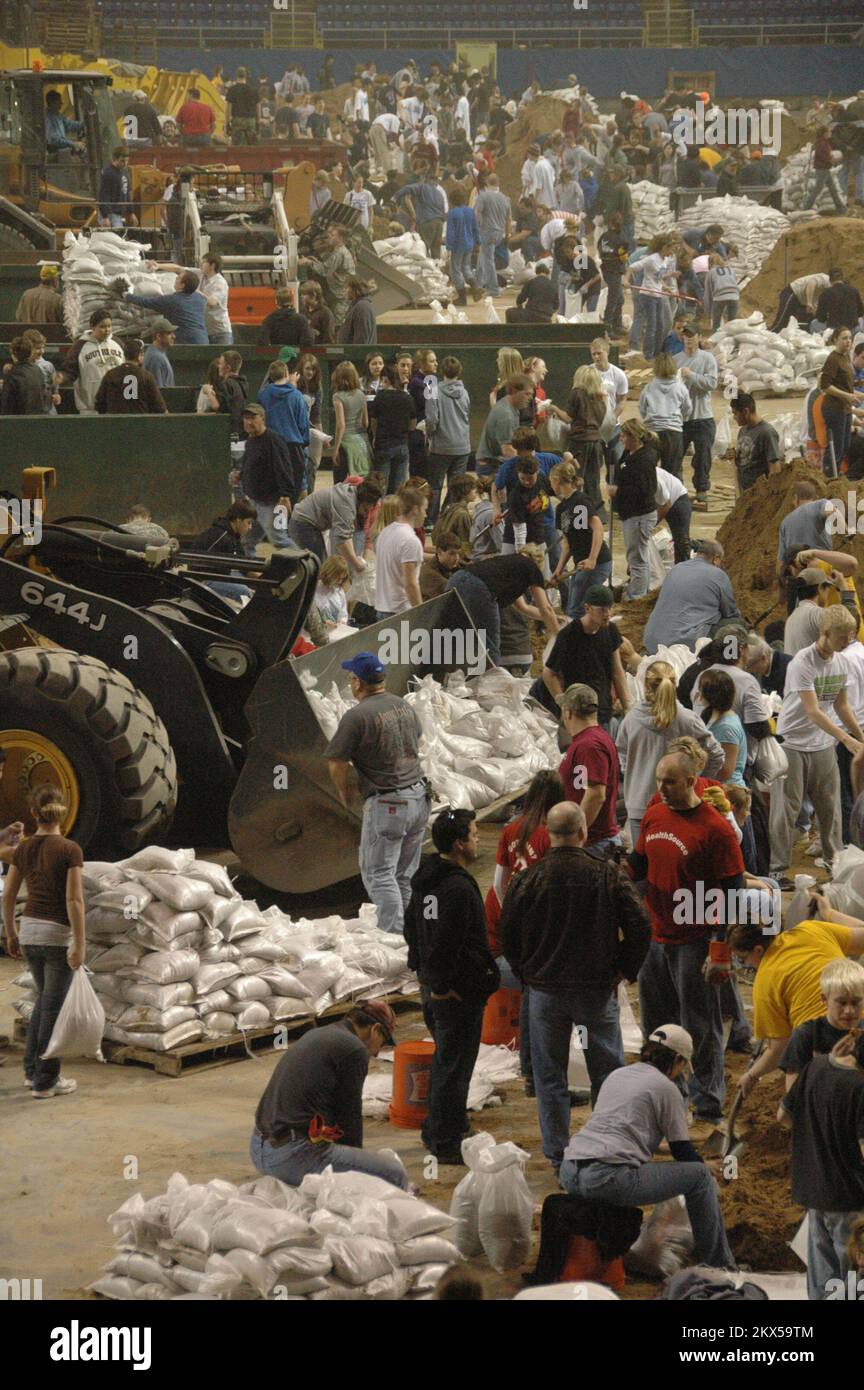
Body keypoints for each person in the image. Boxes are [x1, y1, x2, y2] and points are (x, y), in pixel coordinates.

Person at [501, 801, 650, 1170]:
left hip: (546, 993)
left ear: (548, 835)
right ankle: (607, 1147)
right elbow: (640, 925)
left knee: (550, 1077)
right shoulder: (607, 876)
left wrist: (528, 973)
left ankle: (557, 1156)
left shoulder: (528, 879)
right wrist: (623, 970)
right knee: (607, 1072)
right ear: (583, 831)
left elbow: (507, 932)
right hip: (595, 991)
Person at [629, 751, 746, 1122]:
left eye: (670, 782)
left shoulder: (716, 829)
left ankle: (708, 1102)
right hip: (655, 937)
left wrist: (720, 949)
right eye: (659, 780)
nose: (661, 788)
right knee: (657, 1025)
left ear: (692, 780)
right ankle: (668, 1098)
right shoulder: (654, 813)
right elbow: (639, 866)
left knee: (699, 1025)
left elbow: (733, 891)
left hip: (694, 939)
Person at [560, 1027, 737, 1270]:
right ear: (677, 1059)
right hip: (607, 1179)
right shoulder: (667, 1089)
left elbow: (622, 1133)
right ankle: (721, 1266)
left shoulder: (618, 1075)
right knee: (699, 1178)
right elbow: (683, 1153)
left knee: (676, 1170)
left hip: (570, 1171)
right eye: (682, 1066)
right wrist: (708, 1166)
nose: (680, 1073)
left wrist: (665, 1150)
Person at [404, 808, 499, 1165]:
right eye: (474, 835)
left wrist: (423, 974)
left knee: (449, 1060)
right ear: (459, 844)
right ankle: (445, 1140)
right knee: (454, 1065)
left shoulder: (427, 882)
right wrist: (441, 985)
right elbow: (446, 941)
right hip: (453, 992)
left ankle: (448, 1125)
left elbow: (413, 928)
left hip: (435, 987)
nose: (478, 840)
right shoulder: (456, 888)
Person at [250, 1000, 409, 1189]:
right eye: (383, 1043)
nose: (376, 1053)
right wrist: (358, 1175)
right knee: (395, 1174)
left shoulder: (321, 1033)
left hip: (259, 1147)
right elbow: (349, 1121)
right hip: (290, 1156)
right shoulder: (354, 1049)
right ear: (375, 1029)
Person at [326, 651, 430, 936]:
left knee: (379, 874)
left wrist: (345, 794)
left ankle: (393, 939)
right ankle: (412, 934)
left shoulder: (356, 716)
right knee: (404, 875)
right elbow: (416, 739)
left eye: (351, 678)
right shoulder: (403, 705)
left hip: (389, 803)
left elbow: (336, 762)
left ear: (358, 682)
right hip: (419, 797)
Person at [731, 898, 864, 1097]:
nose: (745, 965)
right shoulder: (811, 929)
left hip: (824, 1046)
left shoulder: (765, 982)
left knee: (795, 1098)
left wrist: (752, 1075)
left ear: (758, 950)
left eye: (743, 959)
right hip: (859, 1019)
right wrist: (829, 913)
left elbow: (779, 1050)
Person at [2, 785, 85, 1100]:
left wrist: (11, 932)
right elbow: (74, 900)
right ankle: (46, 1082)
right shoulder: (69, 849)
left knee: (43, 1003)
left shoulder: (22, 849)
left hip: (29, 933)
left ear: (34, 813)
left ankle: (30, 1071)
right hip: (55, 937)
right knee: (52, 1008)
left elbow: (9, 893)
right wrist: (79, 942)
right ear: (63, 810)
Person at [770, 606, 863, 884]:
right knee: (787, 808)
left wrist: (859, 737)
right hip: (793, 742)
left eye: (850, 637)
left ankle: (834, 861)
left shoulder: (842, 661)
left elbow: (841, 704)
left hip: (822, 744)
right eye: (842, 638)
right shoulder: (803, 662)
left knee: (830, 807)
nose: (847, 642)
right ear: (825, 633)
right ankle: (777, 867)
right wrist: (846, 739)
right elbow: (812, 710)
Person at [780, 1032, 864, 1299]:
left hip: (815, 1191)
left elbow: (783, 1116)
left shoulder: (815, 1067)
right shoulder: (860, 1087)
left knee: (823, 1279)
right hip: (851, 1200)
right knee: (853, 1282)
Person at [617, 661, 725, 848]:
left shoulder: (631, 720)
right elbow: (716, 754)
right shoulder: (687, 719)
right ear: (675, 684)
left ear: (645, 685)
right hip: (679, 804)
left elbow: (623, 757)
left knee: (644, 868)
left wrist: (636, 777)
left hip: (639, 805)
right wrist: (696, 780)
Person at [535, 584, 627, 734]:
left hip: (604, 712)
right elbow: (548, 673)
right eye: (602, 609)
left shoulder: (611, 630)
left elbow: (618, 672)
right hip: (581, 715)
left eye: (610, 608)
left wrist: (627, 705)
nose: (608, 614)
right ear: (587, 608)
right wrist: (563, 702)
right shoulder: (569, 635)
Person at [779, 957, 864, 1091]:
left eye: (855, 1002)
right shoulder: (807, 1034)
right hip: (818, 1105)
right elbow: (793, 1090)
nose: (849, 1011)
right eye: (841, 1003)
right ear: (825, 999)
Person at [643, 540, 741, 654]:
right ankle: (730, 660)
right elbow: (730, 612)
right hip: (683, 645)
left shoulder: (676, 568)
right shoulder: (718, 575)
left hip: (652, 640)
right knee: (735, 624)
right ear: (716, 558)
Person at [558, 684, 622, 857]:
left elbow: (595, 794)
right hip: (593, 843)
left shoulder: (589, 745)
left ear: (567, 712)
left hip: (593, 845)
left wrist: (575, 836)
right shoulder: (591, 739)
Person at [238, 402, 304, 549]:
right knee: (247, 541)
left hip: (274, 503)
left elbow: (285, 469)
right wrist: (240, 476)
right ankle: (250, 571)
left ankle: (306, 565)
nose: (248, 422)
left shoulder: (274, 440)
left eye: (252, 418)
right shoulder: (250, 441)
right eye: (246, 418)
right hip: (254, 504)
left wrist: (285, 496)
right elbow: (249, 465)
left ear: (262, 418)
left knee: (279, 539)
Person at [607, 418, 659, 601]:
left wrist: (618, 491)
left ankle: (638, 596)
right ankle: (638, 592)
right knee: (636, 556)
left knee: (637, 558)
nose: (621, 439)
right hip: (631, 514)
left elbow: (645, 490)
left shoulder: (644, 460)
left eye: (623, 436)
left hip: (639, 515)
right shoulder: (630, 454)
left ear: (634, 437)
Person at [287, 476, 383, 571]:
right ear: (364, 501)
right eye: (366, 510)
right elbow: (342, 541)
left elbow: (346, 536)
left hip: (304, 521)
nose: (366, 513)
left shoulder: (351, 492)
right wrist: (357, 564)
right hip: (302, 524)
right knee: (321, 568)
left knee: (321, 566)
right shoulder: (346, 505)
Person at [674, 324, 718, 507]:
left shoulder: (708, 359)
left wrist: (691, 375)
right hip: (680, 419)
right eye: (686, 335)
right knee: (674, 457)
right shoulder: (675, 360)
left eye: (692, 335)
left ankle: (701, 489)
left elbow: (712, 383)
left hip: (702, 416)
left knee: (702, 456)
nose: (689, 338)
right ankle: (677, 490)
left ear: (699, 337)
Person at [424, 356, 471, 526]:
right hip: (462, 446)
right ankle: (446, 518)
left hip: (441, 446)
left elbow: (431, 418)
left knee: (435, 486)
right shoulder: (464, 392)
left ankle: (430, 521)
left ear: (442, 371)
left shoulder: (432, 388)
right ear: (459, 372)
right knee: (455, 487)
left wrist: (429, 435)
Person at [374, 486, 427, 618]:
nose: (426, 515)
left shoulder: (385, 532)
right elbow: (410, 584)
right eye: (424, 510)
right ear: (415, 509)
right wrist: (421, 612)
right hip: (400, 612)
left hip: (382, 608)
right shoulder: (410, 540)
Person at [60, 309, 125, 415]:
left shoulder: (117, 343)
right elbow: (70, 371)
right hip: (90, 409)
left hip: (115, 407)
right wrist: (62, 377)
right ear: (93, 327)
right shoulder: (79, 346)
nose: (107, 330)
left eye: (109, 326)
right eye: (102, 327)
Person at [258, 360, 310, 491]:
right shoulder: (297, 396)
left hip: (271, 447)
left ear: (270, 376)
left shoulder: (263, 396)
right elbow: (303, 424)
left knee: (273, 490)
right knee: (295, 489)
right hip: (293, 448)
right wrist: (304, 443)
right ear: (287, 374)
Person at [638, 353, 692, 480]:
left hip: (653, 432)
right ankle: (672, 498)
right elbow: (687, 408)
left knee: (649, 470)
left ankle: (652, 497)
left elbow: (642, 408)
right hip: (673, 432)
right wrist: (679, 420)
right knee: (672, 473)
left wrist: (650, 421)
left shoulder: (649, 387)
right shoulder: (680, 387)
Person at [562, 365, 608, 511]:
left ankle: (576, 513)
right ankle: (597, 514)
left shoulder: (577, 393)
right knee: (593, 480)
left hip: (579, 442)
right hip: (596, 442)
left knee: (574, 478)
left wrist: (554, 409)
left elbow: (568, 417)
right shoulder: (601, 398)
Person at [122, 271, 208, 346]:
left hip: (184, 343)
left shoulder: (172, 300)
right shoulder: (199, 299)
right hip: (203, 341)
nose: (176, 278)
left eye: (179, 278)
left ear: (182, 285)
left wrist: (127, 295)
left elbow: (146, 302)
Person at [368, 364, 416, 492]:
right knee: (398, 489)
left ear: (385, 380)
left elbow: (373, 421)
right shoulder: (408, 398)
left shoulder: (380, 398)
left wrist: (374, 436)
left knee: (380, 486)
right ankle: (394, 511)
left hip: (384, 445)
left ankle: (380, 512)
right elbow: (413, 424)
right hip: (402, 446)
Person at [819, 326, 859, 477]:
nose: (848, 341)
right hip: (834, 408)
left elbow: (846, 386)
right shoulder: (833, 358)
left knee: (844, 446)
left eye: (849, 338)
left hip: (846, 408)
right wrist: (846, 396)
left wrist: (856, 395)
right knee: (835, 447)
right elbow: (825, 386)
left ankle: (836, 475)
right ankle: (829, 477)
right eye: (844, 338)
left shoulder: (846, 357)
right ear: (835, 340)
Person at [299, 225, 356, 328]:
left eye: (333, 235)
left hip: (339, 295)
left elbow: (325, 270)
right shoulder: (337, 251)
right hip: (337, 292)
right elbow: (327, 266)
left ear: (341, 238)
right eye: (329, 234)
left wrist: (309, 263)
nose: (329, 237)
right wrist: (313, 261)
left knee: (338, 323)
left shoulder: (339, 253)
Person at [475, 375, 534, 475]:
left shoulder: (511, 407)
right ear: (515, 392)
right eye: (527, 394)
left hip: (494, 463)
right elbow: (507, 450)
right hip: (490, 468)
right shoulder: (506, 414)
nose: (530, 398)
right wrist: (528, 464)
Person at [94, 338, 167, 415]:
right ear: (139, 356)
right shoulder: (146, 376)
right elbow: (159, 407)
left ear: (124, 355)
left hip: (115, 424)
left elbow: (99, 404)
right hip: (141, 423)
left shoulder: (110, 375)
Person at [331, 360, 372, 478]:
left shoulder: (337, 396)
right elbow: (365, 423)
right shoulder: (361, 394)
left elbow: (341, 425)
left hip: (345, 444)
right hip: (362, 443)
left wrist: (336, 449)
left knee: (341, 483)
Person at [473, 174, 511, 297]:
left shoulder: (483, 196)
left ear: (486, 183)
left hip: (487, 231)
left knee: (488, 260)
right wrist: (507, 234)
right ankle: (477, 285)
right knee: (483, 257)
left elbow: (477, 214)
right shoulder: (505, 198)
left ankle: (493, 289)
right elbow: (509, 219)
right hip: (500, 233)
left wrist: (475, 229)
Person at [445, 188, 480, 305]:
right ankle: (475, 286)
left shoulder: (452, 213)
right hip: (470, 244)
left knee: (455, 270)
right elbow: (476, 228)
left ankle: (462, 297)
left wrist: (448, 246)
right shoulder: (470, 211)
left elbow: (451, 232)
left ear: (452, 201)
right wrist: (478, 243)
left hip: (458, 245)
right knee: (466, 267)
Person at [654, 461, 692, 566]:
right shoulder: (632, 477)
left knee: (681, 542)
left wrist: (652, 523)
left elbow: (666, 504)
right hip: (659, 500)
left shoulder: (653, 477)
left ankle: (683, 574)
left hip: (677, 499)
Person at [803, 128, 847, 215]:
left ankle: (842, 210)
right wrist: (832, 160)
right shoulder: (822, 143)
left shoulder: (823, 142)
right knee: (817, 190)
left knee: (833, 190)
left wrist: (830, 160)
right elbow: (823, 156)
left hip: (825, 169)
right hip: (822, 170)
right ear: (824, 133)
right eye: (829, 132)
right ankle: (806, 208)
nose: (830, 133)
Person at [1, 336, 47, 416]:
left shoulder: (12, 374)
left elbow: (7, 405)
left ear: (13, 352)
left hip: (18, 422)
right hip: (38, 419)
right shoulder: (37, 370)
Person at [815, 269, 864, 335]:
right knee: (861, 321)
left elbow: (820, 317)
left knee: (814, 323)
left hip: (836, 330)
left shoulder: (825, 293)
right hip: (853, 328)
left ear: (830, 280)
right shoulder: (854, 290)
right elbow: (861, 312)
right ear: (842, 278)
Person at [98, 147, 136, 229]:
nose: (125, 163)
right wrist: (105, 217)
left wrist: (131, 212)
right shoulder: (108, 174)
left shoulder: (125, 173)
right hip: (111, 213)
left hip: (120, 213)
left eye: (127, 161)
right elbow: (104, 196)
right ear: (115, 159)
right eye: (122, 161)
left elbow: (127, 194)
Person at [703, 253, 740, 331]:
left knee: (716, 324)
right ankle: (731, 341)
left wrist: (709, 312)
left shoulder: (711, 272)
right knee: (732, 323)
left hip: (719, 297)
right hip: (734, 296)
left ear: (710, 263)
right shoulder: (731, 270)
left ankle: (715, 341)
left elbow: (708, 294)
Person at [420, 533, 462, 600]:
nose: (456, 558)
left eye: (458, 553)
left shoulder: (452, 566)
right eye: (452, 554)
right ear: (439, 552)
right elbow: (457, 592)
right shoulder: (429, 574)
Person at [339, 279, 377, 346]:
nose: (345, 291)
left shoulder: (362, 307)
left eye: (347, 288)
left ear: (355, 290)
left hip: (356, 354)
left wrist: (356, 353)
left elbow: (362, 337)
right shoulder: (356, 305)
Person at [44, 88, 83, 154]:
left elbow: (70, 125)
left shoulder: (58, 115)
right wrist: (73, 144)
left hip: (61, 152)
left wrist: (83, 125)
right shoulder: (47, 118)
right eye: (58, 101)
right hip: (54, 153)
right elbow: (54, 140)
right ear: (51, 102)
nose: (61, 103)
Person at [226, 68, 259, 144]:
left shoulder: (232, 89)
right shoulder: (254, 89)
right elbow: (258, 107)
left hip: (237, 120)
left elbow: (228, 108)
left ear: (236, 75)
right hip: (250, 120)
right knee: (253, 146)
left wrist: (227, 124)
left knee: (237, 146)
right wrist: (257, 122)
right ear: (246, 76)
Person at [299, 281, 337, 345]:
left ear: (314, 295)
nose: (301, 297)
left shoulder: (326, 313)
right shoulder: (303, 312)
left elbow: (329, 339)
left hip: (319, 352)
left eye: (304, 294)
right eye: (301, 294)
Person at [142, 319, 176, 389]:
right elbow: (158, 391)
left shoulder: (158, 353)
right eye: (169, 333)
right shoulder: (155, 357)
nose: (174, 336)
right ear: (158, 336)